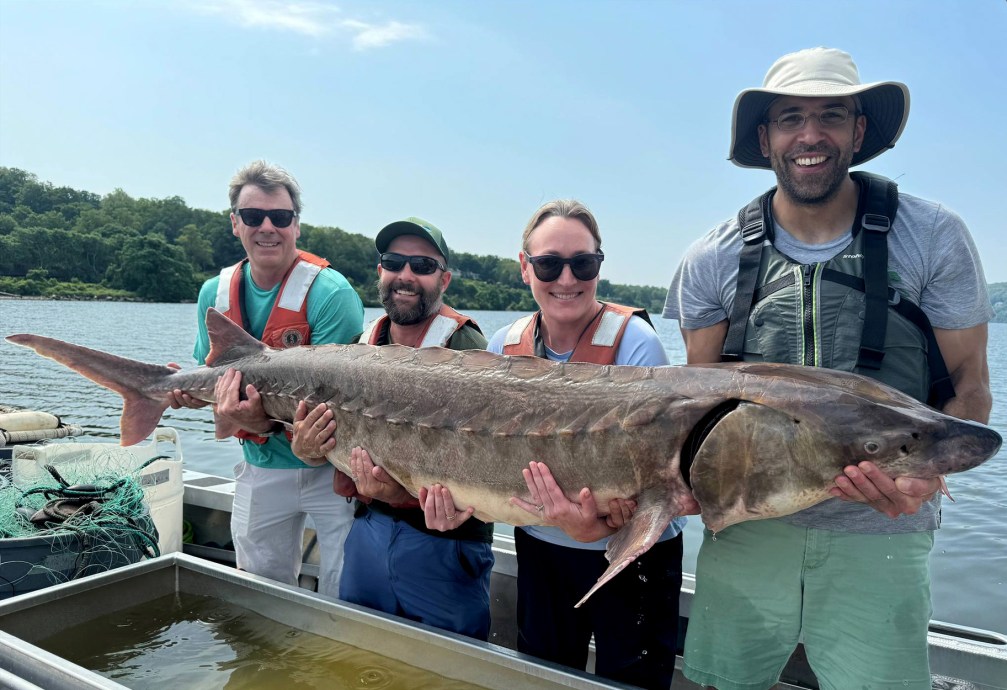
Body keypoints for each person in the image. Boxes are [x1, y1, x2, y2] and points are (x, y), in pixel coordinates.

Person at [665, 47, 992, 690]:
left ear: (859, 130)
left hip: (886, 529)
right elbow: (692, 412)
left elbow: (972, 385)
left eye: (831, 116)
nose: (810, 136)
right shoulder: (711, 257)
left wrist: (926, 477)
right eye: (790, 118)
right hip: (748, 531)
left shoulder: (933, 235)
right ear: (765, 137)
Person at [485, 199, 687, 690]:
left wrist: (594, 529)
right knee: (544, 677)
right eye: (549, 264)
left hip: (635, 555)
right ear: (525, 268)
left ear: (599, 265)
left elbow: (661, 473)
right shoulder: (500, 347)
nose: (566, 279)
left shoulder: (637, 344)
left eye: (584, 263)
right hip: (540, 549)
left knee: (632, 680)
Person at [291, 218, 496, 640]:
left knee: (445, 670)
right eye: (394, 262)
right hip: (367, 529)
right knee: (359, 654)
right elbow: (323, 440)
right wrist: (306, 448)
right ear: (379, 272)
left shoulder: (468, 349)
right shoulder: (358, 345)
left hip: (444, 544)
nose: (406, 275)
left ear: (445, 279)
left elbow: (487, 459)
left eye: (422, 265)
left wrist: (400, 495)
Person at [168, 160, 364, 598]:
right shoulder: (213, 294)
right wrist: (186, 393)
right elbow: (217, 388)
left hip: (332, 470)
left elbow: (340, 405)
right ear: (235, 223)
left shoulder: (332, 294)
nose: (267, 228)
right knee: (258, 595)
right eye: (254, 217)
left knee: (345, 591)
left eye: (280, 217)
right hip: (260, 467)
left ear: (297, 224)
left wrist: (255, 420)